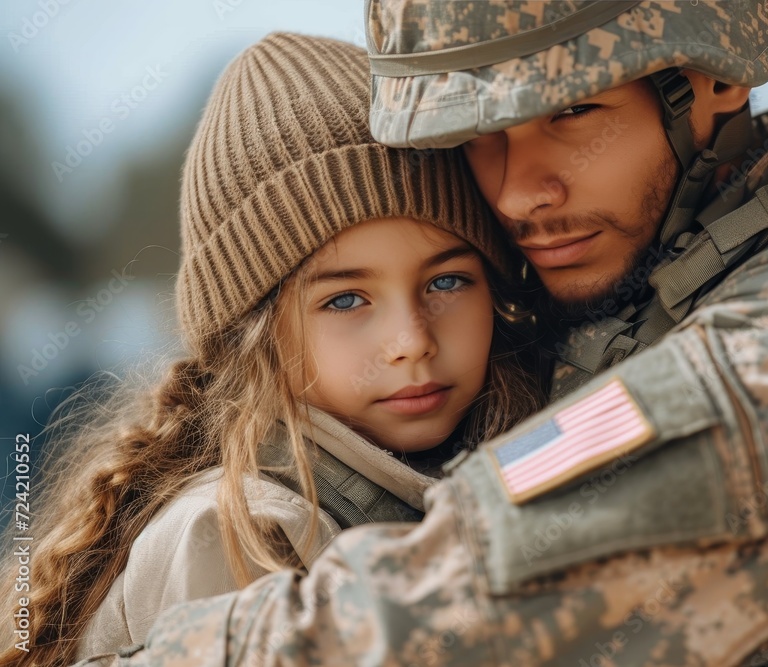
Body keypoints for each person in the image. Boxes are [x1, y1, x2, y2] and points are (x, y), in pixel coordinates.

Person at [74, 1, 768, 665]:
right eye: (478, 134)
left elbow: (468, 606)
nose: (519, 192)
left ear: (711, 78)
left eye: (570, 112)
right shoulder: (646, 305)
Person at [2, 33, 543, 666]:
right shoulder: (237, 537)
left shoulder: (516, 439)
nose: (412, 342)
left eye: (446, 282)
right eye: (345, 300)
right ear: (254, 337)